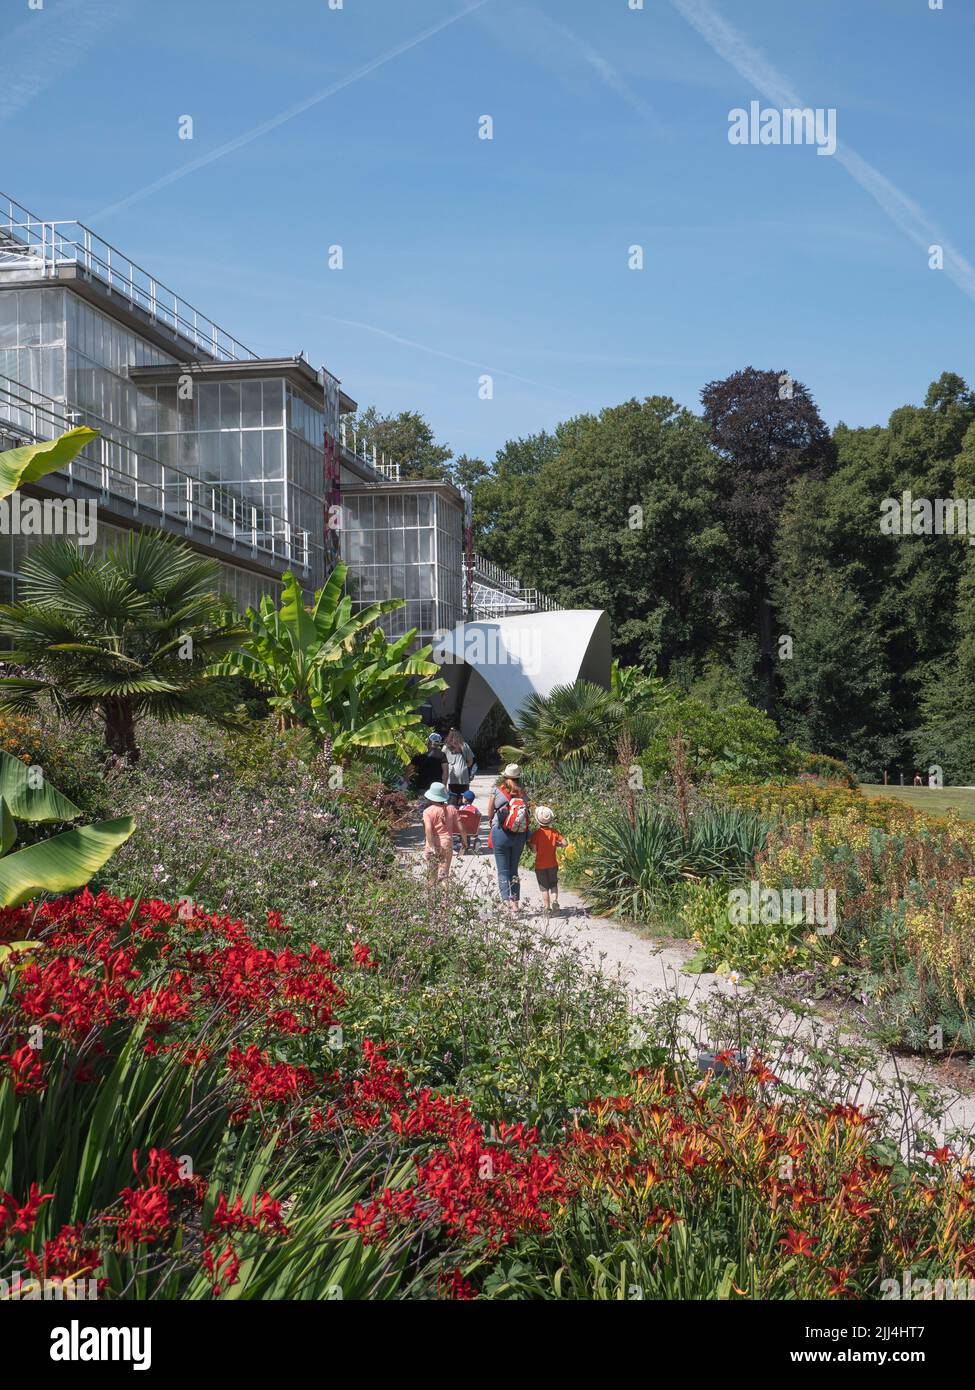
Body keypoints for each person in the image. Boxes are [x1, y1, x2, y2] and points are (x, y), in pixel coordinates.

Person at [487, 763, 529, 911]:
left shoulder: (497, 790)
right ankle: (516, 904)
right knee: (514, 870)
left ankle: (505, 904)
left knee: (503, 871)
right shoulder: (523, 793)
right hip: (519, 833)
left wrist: (492, 820)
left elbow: (490, 812)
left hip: (501, 832)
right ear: (518, 778)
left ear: (505, 776)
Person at [528, 805, 568, 914]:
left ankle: (547, 908)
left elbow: (534, 850)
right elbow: (565, 843)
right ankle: (555, 901)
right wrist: (557, 844)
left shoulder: (536, 834)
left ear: (538, 820)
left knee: (544, 888)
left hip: (540, 866)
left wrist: (531, 847)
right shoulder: (554, 832)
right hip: (552, 864)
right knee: (553, 885)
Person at [422, 781, 460, 884]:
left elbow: (428, 829)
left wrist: (431, 845)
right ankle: (445, 898)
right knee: (444, 873)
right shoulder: (451, 809)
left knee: (431, 873)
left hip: (432, 841)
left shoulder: (428, 811)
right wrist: (464, 840)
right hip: (446, 842)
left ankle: (431, 898)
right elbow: (460, 826)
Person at [443, 728, 475, 806]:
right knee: (464, 796)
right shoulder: (464, 745)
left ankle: (452, 811)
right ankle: (462, 812)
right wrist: (463, 766)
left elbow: (442, 761)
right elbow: (470, 762)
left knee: (452, 795)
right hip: (463, 775)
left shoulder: (445, 747)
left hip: (451, 774)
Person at [413, 733, 446, 802]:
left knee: (422, 808)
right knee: (435, 808)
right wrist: (444, 785)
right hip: (436, 788)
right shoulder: (442, 755)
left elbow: (409, 768)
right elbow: (445, 772)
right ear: (438, 743)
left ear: (429, 741)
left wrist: (406, 779)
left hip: (422, 785)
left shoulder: (421, 755)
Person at [457, 788, 482, 855]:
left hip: (461, 829)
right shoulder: (475, 809)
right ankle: (476, 843)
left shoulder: (461, 808)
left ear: (465, 799)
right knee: (471, 829)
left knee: (464, 829)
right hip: (472, 829)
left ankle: (464, 845)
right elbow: (479, 816)